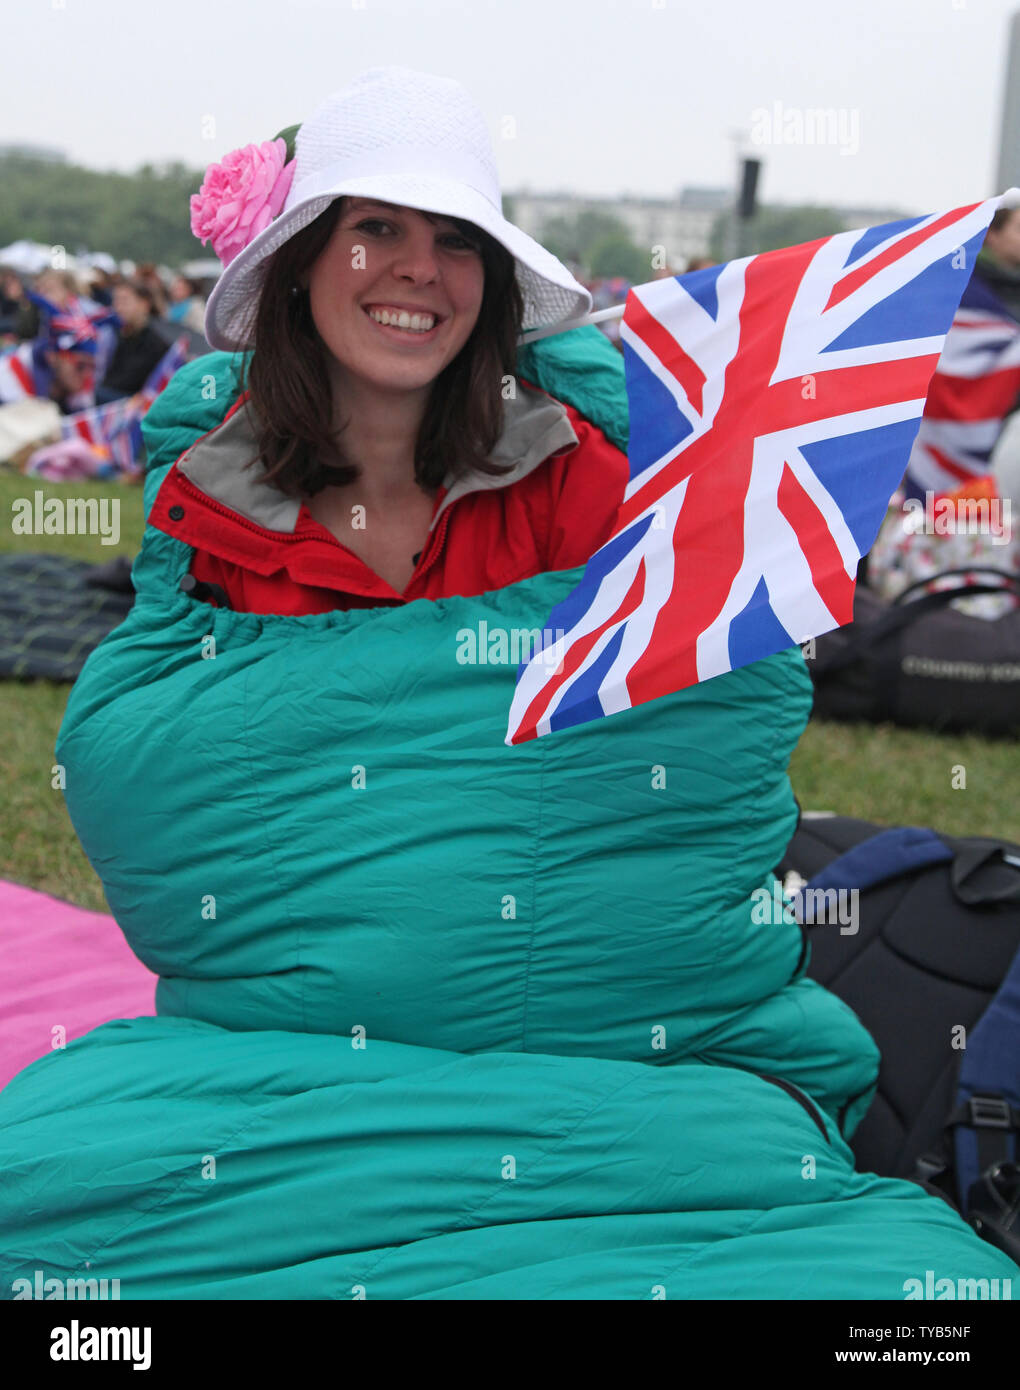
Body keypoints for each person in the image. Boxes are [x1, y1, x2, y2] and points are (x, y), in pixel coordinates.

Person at [1, 66, 1014, 1301]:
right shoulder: (213, 506)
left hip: (621, 1082)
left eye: (455, 241)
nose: (418, 269)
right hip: (273, 1072)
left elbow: (699, 713)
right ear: (302, 263)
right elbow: (161, 766)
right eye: (376, 227)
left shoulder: (592, 482)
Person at [95, 279, 171, 403]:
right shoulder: (120, 334)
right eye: (116, 301)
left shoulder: (159, 339)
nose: (118, 307)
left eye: (124, 301)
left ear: (144, 304)